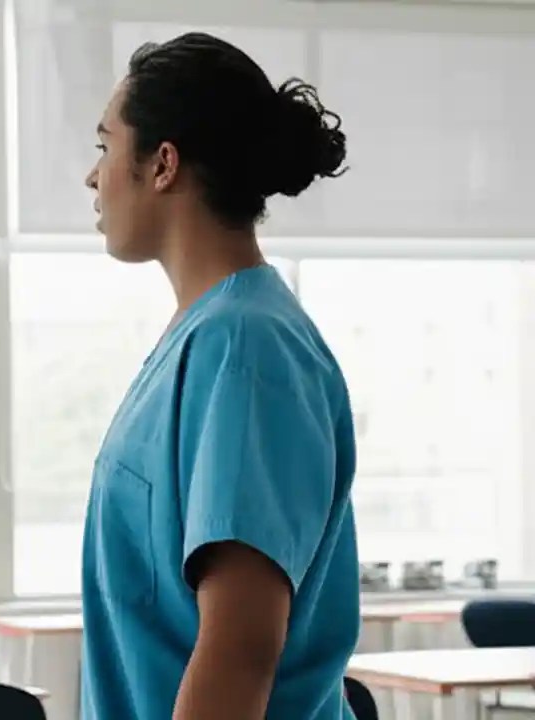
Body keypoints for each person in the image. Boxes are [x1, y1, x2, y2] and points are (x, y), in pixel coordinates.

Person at [81, 32, 358, 719]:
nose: (93, 176)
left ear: (163, 164)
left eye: (105, 147)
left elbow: (238, 651)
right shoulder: (206, 336)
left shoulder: (247, 347)